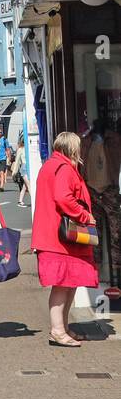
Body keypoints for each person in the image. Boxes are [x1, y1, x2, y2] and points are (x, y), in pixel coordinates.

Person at [33, 132, 99, 347]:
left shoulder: (51, 165)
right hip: (61, 240)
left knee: (68, 284)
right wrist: (84, 215)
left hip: (55, 237)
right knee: (62, 286)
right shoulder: (64, 168)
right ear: (73, 149)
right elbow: (63, 197)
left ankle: (63, 328)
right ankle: (58, 331)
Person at [83, 121, 121, 295]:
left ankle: (117, 277)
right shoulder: (86, 141)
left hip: (109, 190)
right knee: (94, 237)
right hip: (91, 190)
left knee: (116, 235)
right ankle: (94, 276)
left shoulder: (113, 140)